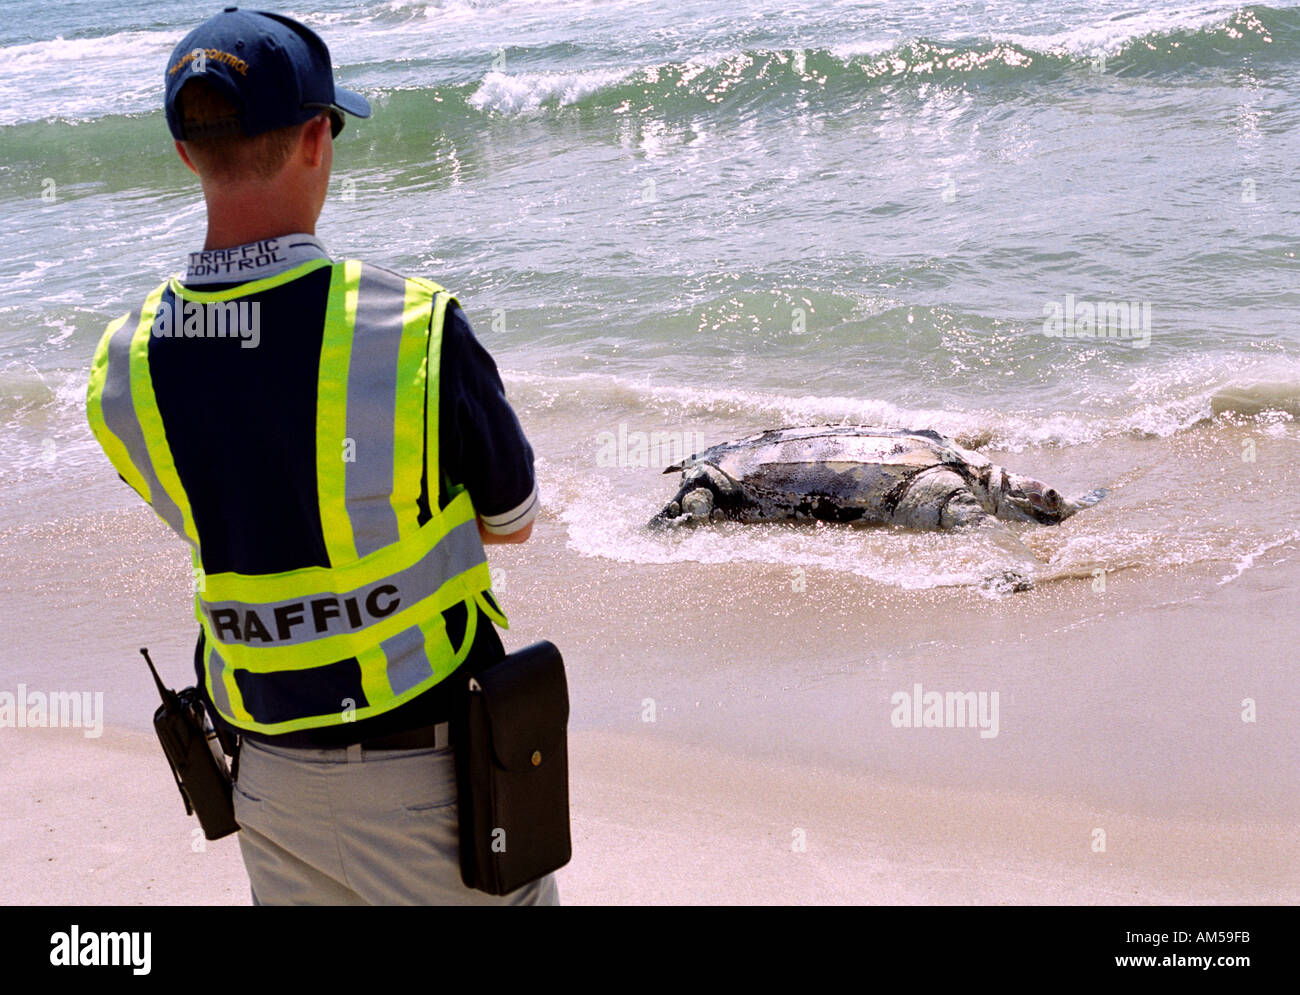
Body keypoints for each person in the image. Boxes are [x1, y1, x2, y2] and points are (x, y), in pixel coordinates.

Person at [85, 7, 557, 905]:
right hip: (433, 778)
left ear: (189, 154)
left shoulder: (125, 363)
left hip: (265, 779)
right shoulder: (412, 326)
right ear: (314, 136)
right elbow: (514, 519)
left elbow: (220, 502)